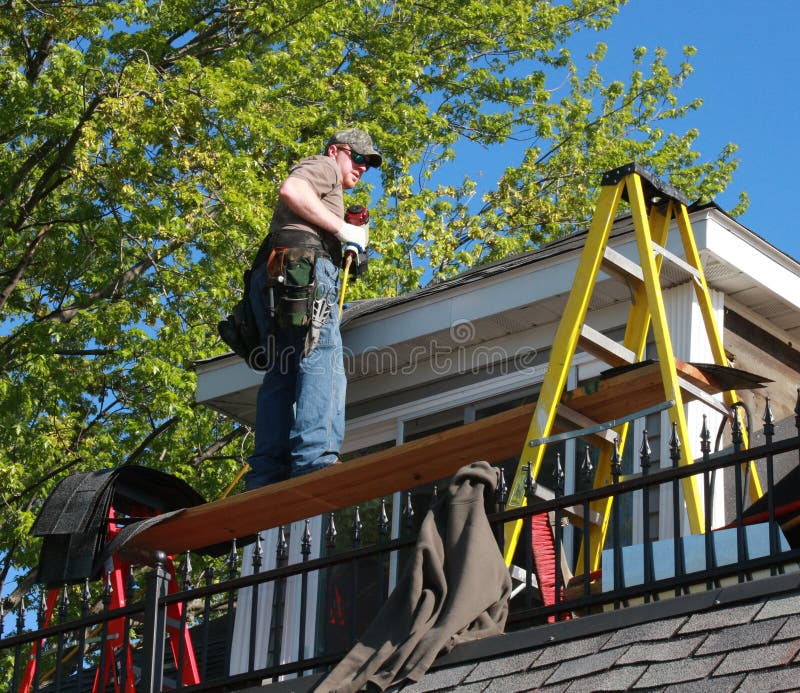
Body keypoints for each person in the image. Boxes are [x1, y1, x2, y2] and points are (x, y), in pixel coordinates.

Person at [244, 128, 382, 490]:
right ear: (335, 150)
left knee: (282, 369)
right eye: (358, 157)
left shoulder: (329, 188)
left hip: (278, 275)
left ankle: (267, 473)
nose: (363, 167)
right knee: (322, 356)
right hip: (302, 268)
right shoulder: (324, 166)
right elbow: (293, 190)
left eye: (368, 163)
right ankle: (314, 458)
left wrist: (348, 244)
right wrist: (340, 227)